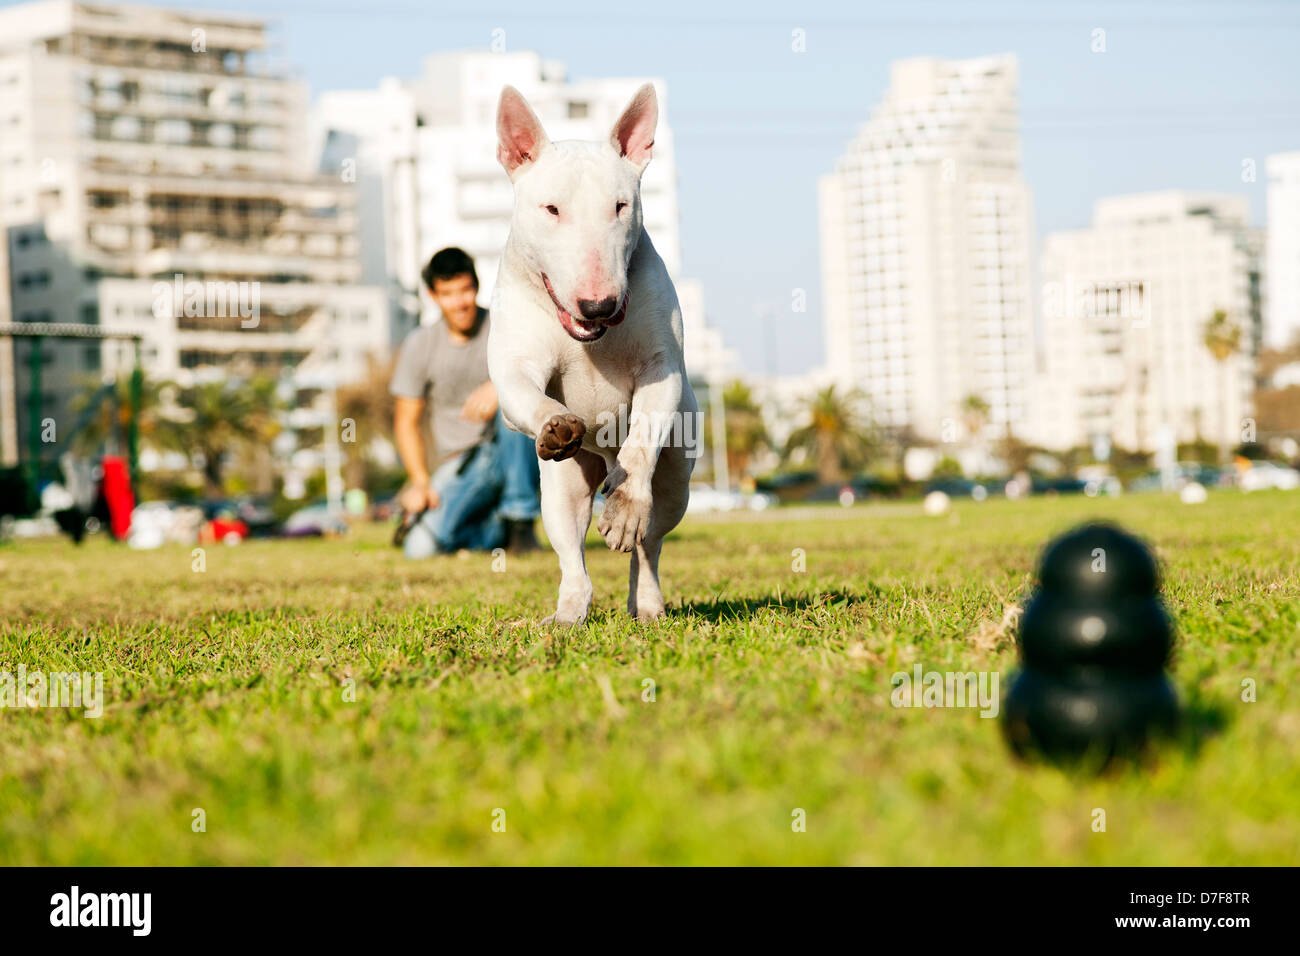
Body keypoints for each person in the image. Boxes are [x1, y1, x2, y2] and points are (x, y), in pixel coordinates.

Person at [390, 247, 540, 557]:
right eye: (448, 294)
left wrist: (501, 385)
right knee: (419, 550)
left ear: (477, 286)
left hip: (512, 449)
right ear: (433, 295)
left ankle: (521, 521)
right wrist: (419, 482)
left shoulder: (504, 328)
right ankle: (497, 529)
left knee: (513, 400)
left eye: (466, 290)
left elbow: (542, 376)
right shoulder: (420, 345)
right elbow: (406, 422)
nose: (460, 303)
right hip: (460, 465)